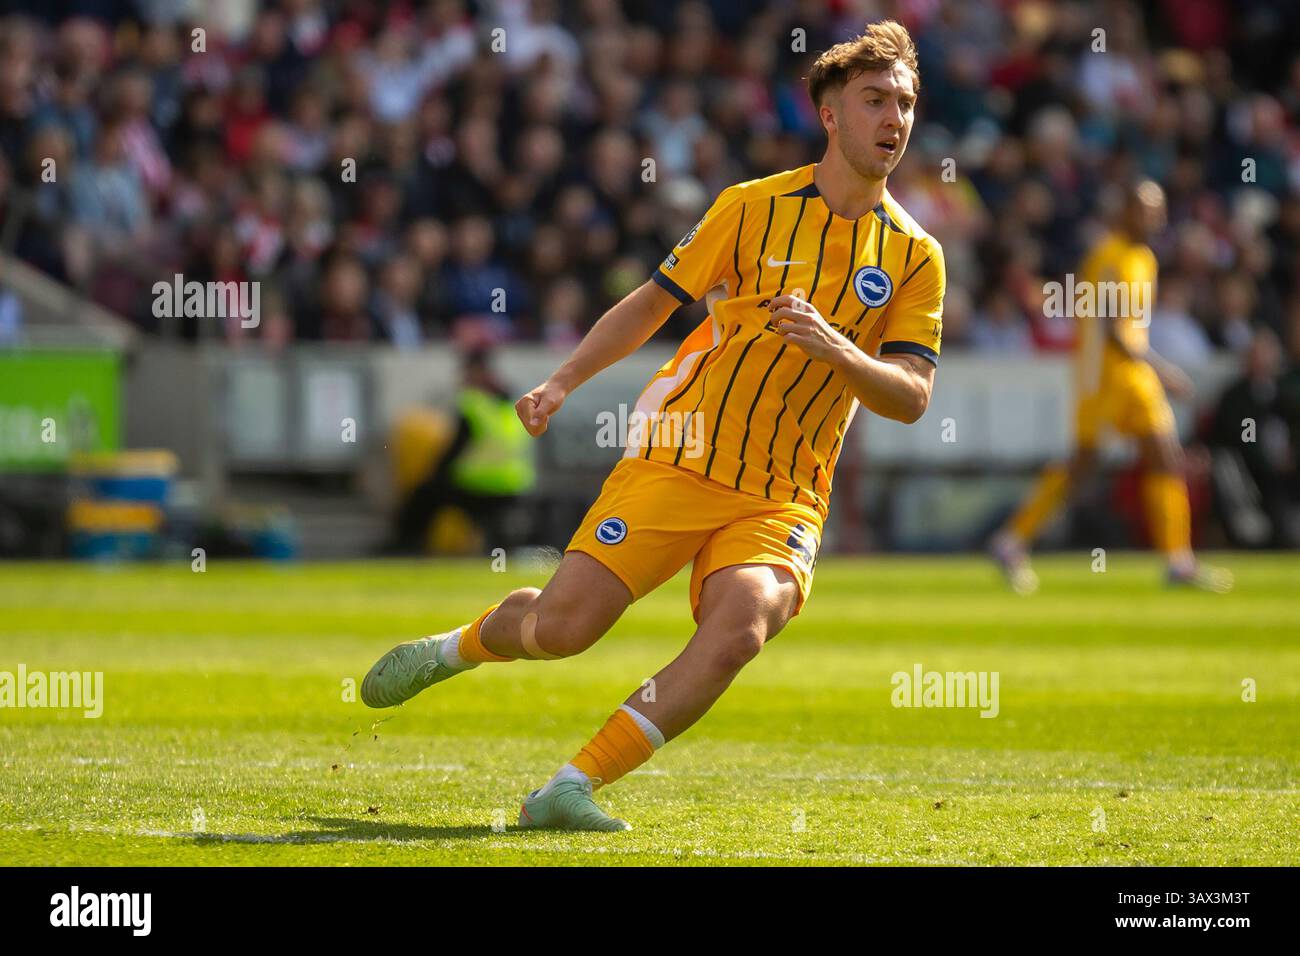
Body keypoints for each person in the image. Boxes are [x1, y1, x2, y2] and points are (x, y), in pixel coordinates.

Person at [361, 21, 945, 830]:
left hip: (784, 494)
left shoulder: (916, 256)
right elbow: (652, 303)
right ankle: (458, 646)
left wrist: (837, 347)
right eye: (874, 100)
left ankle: (570, 786)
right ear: (831, 115)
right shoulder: (751, 208)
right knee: (564, 630)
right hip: (683, 455)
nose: (894, 120)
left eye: (906, 104)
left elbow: (911, 395)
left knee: (739, 628)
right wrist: (563, 379)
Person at [991, 181, 1232, 592]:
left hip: (1132, 375)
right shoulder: (1108, 257)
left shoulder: (1145, 258)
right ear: (1124, 211)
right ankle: (1012, 540)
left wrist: (1150, 368)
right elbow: (1114, 330)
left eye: (1157, 209)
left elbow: (1132, 330)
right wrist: (1165, 370)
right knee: (1083, 464)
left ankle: (1178, 560)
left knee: (1165, 456)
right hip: (1101, 375)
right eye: (1143, 208)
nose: (1152, 216)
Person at [386, 348, 535, 554]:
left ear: (475, 372)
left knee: (423, 495)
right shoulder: (513, 404)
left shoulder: (473, 405)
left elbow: (452, 452)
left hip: (476, 486)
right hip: (514, 487)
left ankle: (405, 547)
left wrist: (432, 475)